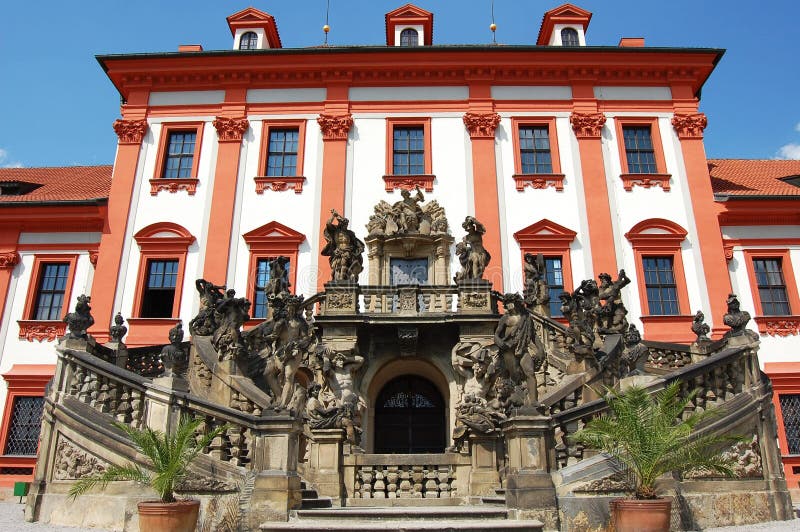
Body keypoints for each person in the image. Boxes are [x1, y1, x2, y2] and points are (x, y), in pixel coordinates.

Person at [321, 209, 364, 282]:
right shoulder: (335, 231)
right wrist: (333, 216)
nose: (345, 226)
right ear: (340, 224)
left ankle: (341, 278)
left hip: (347, 250)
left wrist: (355, 250)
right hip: (337, 251)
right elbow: (328, 224)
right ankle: (339, 278)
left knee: (344, 261)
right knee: (337, 267)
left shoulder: (349, 233)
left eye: (346, 225)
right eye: (344, 224)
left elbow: (355, 243)